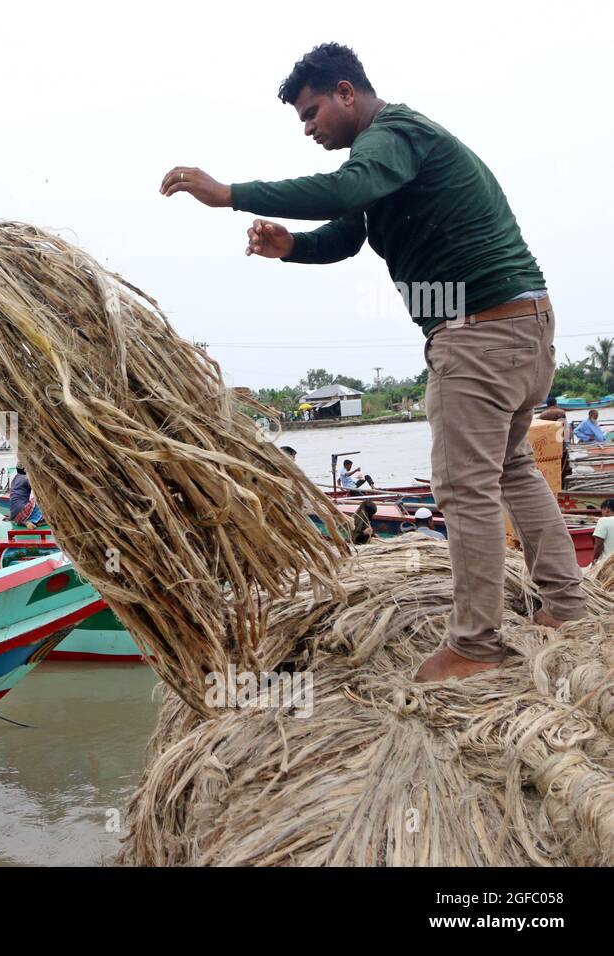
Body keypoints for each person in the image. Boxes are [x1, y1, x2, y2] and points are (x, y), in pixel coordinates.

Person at [160, 43, 587, 682]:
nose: (308, 130)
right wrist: (292, 246)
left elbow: (348, 187)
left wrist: (229, 194)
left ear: (346, 92)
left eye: (311, 114)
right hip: (522, 327)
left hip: (480, 336)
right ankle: (566, 605)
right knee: (512, 468)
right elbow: (350, 229)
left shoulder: (391, 136)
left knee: (463, 486)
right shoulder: (391, 156)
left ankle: (475, 644)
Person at [589, 499, 614, 569]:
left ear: (607, 509)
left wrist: (594, 561)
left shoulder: (603, 520)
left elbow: (598, 545)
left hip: (608, 565)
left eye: (602, 510)